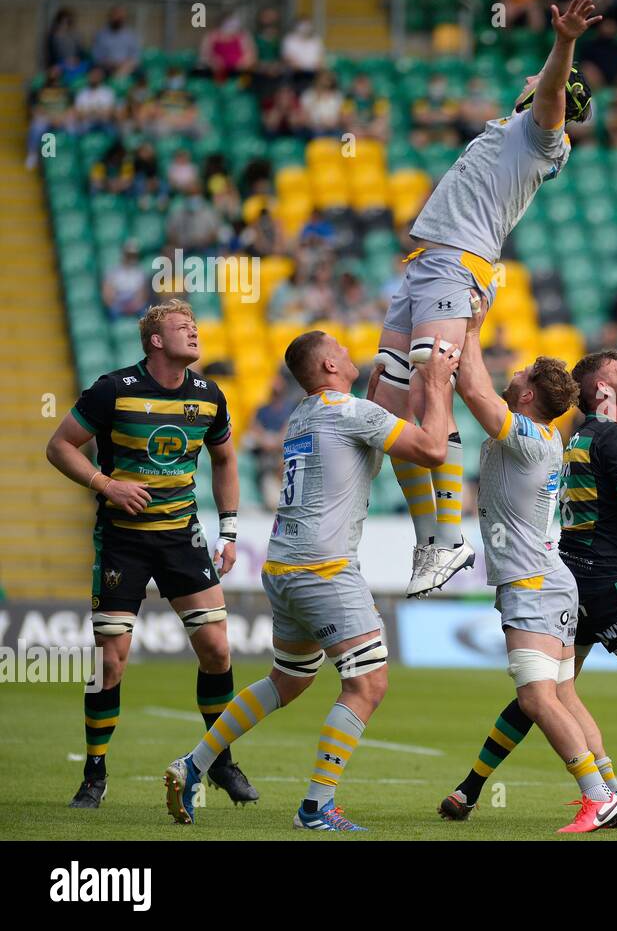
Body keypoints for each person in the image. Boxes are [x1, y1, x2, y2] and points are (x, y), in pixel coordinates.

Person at [163, 330, 457, 830]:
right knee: (367, 684)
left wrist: (384, 396)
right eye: (340, 351)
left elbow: (359, 431)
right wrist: (438, 381)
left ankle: (194, 764)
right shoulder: (352, 414)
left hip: (282, 566)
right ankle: (316, 807)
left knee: (290, 678)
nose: (350, 354)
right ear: (327, 367)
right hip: (325, 567)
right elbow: (431, 450)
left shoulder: (304, 414)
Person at [372, 0, 600, 599]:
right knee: (388, 409)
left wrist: (565, 42)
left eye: (541, 79)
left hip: (456, 264)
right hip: (425, 266)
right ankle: (433, 539)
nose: (530, 78)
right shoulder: (509, 130)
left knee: (432, 382)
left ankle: (448, 538)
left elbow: (551, 96)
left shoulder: (540, 136)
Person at [441, 347, 617, 829]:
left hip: (568, 575)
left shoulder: (580, 436)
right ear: (604, 390)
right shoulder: (615, 438)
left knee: (549, 691)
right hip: (609, 582)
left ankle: (471, 786)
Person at [45, 300, 258, 810]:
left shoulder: (209, 396)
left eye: (194, 324)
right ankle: (94, 774)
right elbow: (60, 446)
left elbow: (225, 458)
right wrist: (105, 483)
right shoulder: (113, 390)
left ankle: (220, 761)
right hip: (123, 538)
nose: (193, 330)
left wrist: (228, 529)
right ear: (155, 341)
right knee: (110, 661)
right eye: (180, 326)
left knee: (217, 650)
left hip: (182, 538)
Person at [438, 298, 617, 832]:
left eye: (519, 375)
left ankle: (599, 798)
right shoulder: (542, 435)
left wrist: (472, 330)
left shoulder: (527, 438)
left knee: (534, 695)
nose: (511, 376)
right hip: (543, 579)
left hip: (534, 582)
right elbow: (479, 390)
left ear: (526, 396)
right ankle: (614, 795)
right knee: (561, 694)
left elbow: (475, 390)